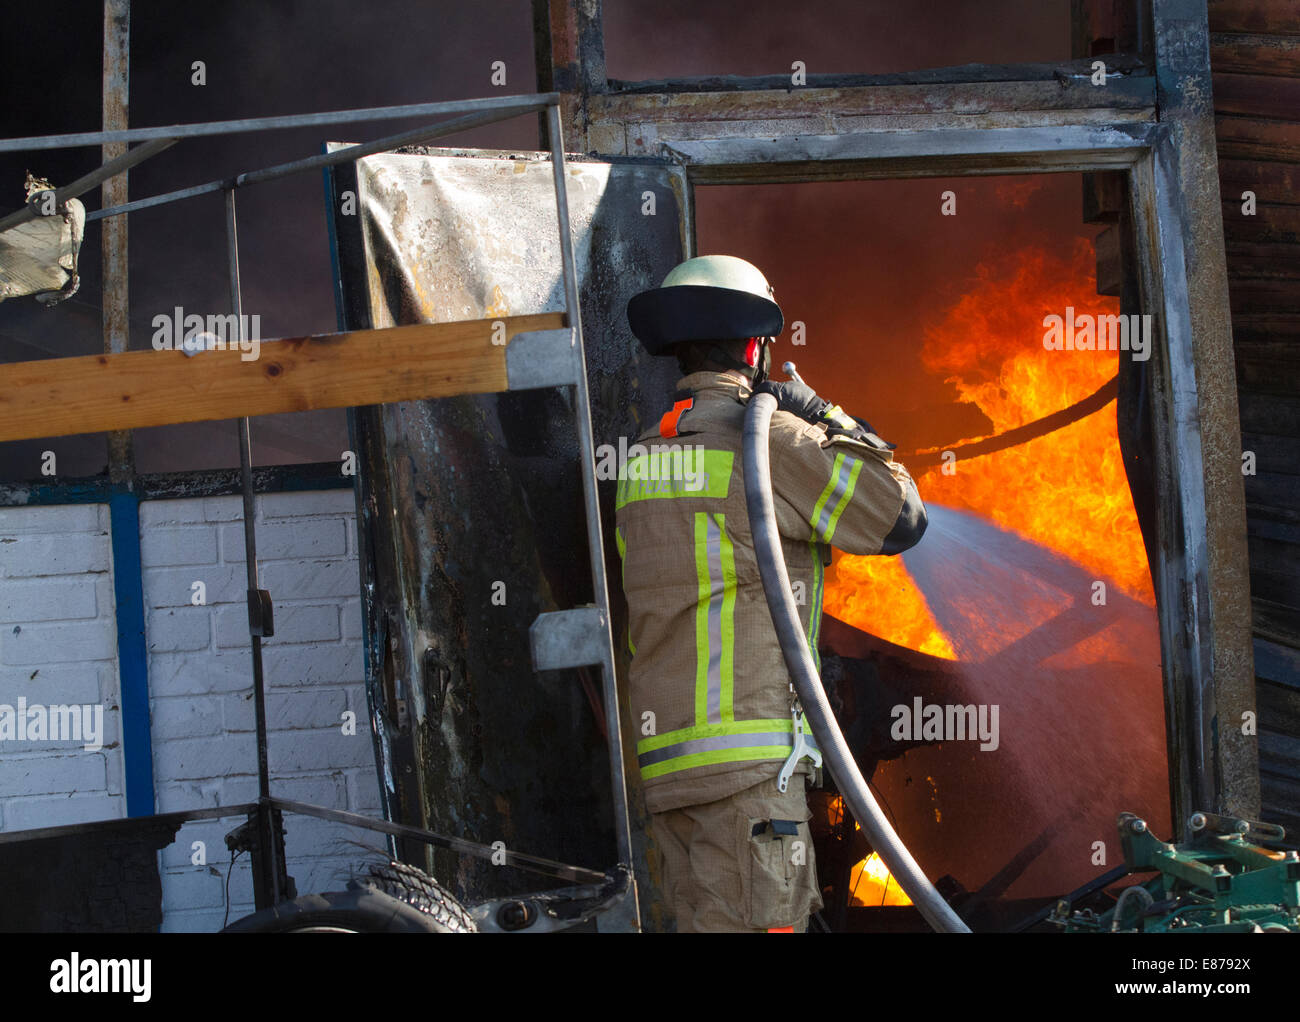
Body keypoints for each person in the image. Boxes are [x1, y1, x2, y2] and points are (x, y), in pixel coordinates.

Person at [615, 255, 928, 932]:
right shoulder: (770, 443)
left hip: (666, 773)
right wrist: (825, 412)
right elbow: (899, 516)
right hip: (748, 774)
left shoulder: (643, 455)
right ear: (756, 345)